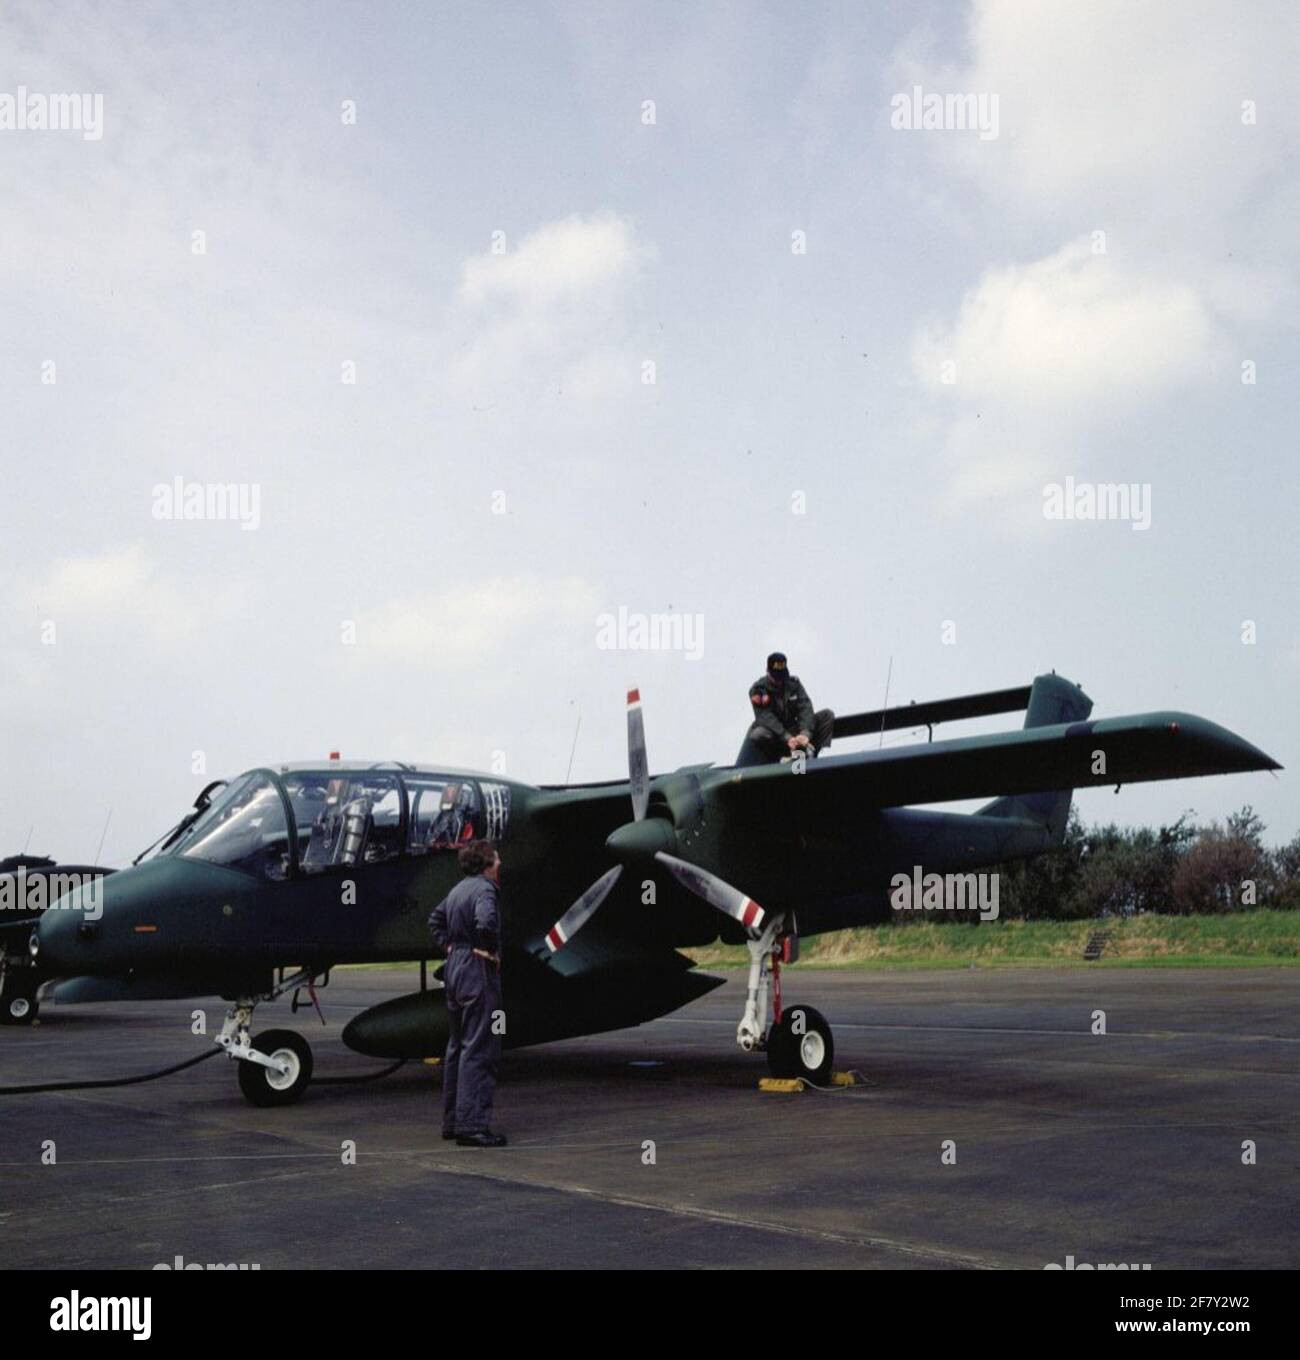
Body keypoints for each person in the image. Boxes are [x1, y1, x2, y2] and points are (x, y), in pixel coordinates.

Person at [428, 841, 507, 1148]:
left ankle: (452, 1122)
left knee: (456, 1047)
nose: (500, 862)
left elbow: (435, 920)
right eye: (497, 858)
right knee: (480, 1047)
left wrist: (449, 946)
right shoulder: (486, 890)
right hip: (477, 968)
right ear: (488, 862)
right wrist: (488, 949)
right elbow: (486, 921)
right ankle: (472, 1125)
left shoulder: (458, 888)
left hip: (455, 967)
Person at [743, 652, 834, 764]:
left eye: (781, 677)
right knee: (759, 734)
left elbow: (805, 707)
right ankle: (778, 760)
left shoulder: (793, 684)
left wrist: (805, 733)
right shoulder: (758, 691)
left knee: (827, 715)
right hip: (776, 734)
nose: (779, 681)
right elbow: (766, 718)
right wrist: (787, 738)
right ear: (768, 671)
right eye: (776, 678)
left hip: (795, 730)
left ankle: (811, 755)